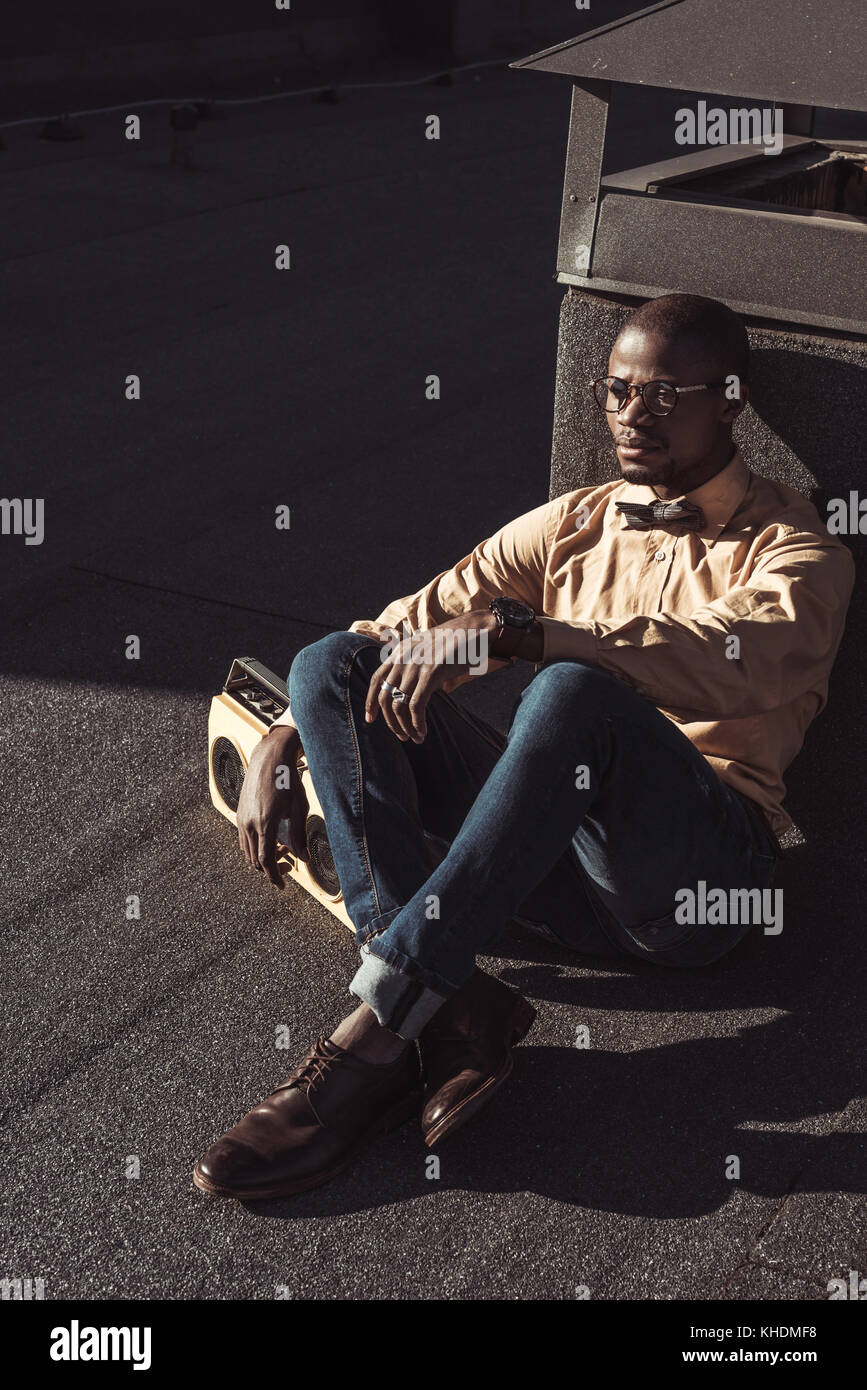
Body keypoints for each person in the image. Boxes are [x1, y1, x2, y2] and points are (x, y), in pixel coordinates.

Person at [193, 293, 854, 1201]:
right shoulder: (575, 520)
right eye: (615, 390)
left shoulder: (799, 549)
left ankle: (380, 1031)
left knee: (574, 690)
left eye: (665, 394)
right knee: (335, 663)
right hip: (546, 866)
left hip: (698, 886)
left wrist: (527, 633)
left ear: (730, 396)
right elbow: (397, 630)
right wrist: (281, 735)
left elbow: (727, 666)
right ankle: (450, 1003)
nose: (631, 414)